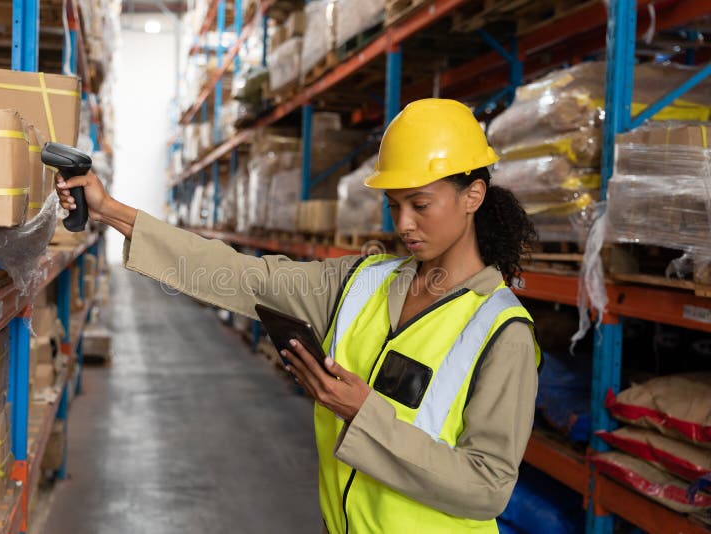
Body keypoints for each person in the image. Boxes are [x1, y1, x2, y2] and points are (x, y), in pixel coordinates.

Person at [56, 98, 540, 533]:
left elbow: (488, 487)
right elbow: (244, 276)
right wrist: (109, 211)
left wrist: (362, 413)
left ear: (472, 196)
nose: (404, 224)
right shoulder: (363, 282)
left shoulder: (501, 333)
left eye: (421, 205)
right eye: (395, 206)